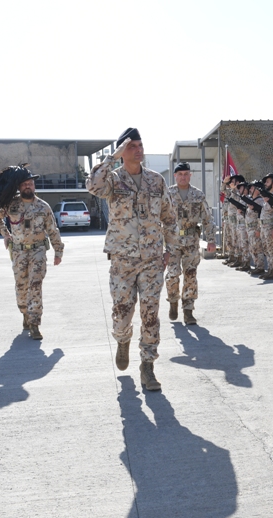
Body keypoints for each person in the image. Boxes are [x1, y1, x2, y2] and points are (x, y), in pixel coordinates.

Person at [87, 128, 178, 391]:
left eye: (140, 144)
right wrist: (110, 158)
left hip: (152, 259)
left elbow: (169, 217)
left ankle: (148, 366)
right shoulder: (113, 180)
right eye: (132, 146)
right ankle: (123, 339)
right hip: (123, 260)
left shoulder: (156, 181)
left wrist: (170, 250)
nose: (138, 149)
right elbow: (93, 185)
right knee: (122, 312)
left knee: (150, 313)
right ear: (122, 151)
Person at [0, 165, 64, 340]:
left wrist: (58, 250)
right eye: (24, 184)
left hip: (38, 251)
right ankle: (25, 313)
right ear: (19, 187)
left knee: (35, 286)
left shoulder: (43, 207)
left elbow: (53, 230)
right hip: (18, 253)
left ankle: (35, 323)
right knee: (22, 287)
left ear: (34, 186)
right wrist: (5, 234)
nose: (28, 186)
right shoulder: (10, 204)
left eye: (30, 183)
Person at [166, 162, 216, 325]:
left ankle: (188, 310)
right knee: (172, 274)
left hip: (191, 241)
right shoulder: (167, 194)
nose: (183, 177)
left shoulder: (198, 195)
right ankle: (173, 300)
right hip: (172, 241)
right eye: (180, 174)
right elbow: (157, 218)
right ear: (175, 176)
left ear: (190, 175)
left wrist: (211, 240)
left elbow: (207, 218)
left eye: (186, 174)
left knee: (191, 274)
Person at [259, 173, 273, 280]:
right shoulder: (266, 197)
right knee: (267, 249)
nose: (265, 184)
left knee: (272, 249)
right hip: (264, 227)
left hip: (270, 226)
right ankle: (270, 269)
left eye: (268, 182)